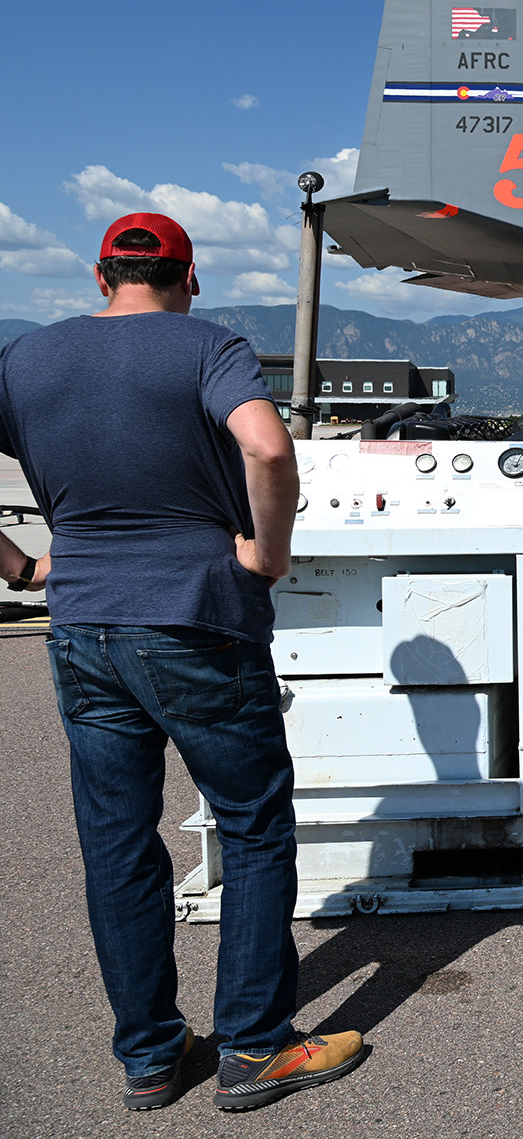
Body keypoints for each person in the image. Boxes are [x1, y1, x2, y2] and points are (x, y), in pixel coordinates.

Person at [0, 213, 368, 1112]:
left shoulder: (26, 358)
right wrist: (268, 555)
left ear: (100, 277)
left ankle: (151, 1057)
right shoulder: (208, 347)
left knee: (117, 843)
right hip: (198, 620)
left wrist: (19, 568)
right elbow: (268, 445)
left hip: (82, 626)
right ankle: (255, 1047)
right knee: (251, 827)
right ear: (190, 278)